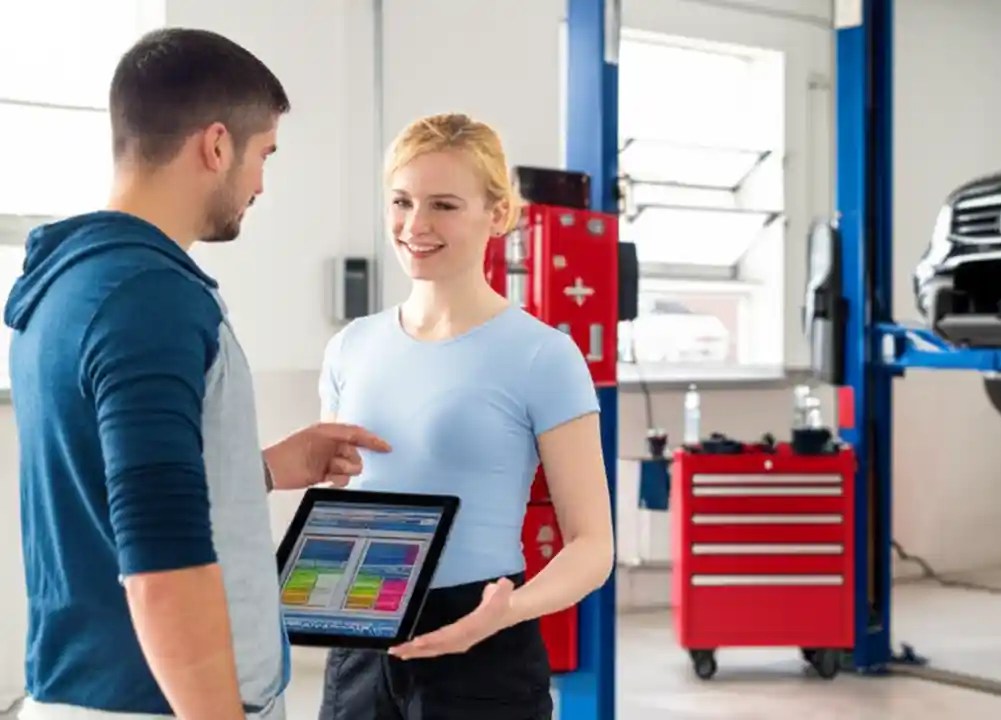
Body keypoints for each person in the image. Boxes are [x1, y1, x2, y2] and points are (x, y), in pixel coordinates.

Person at [2, 28, 390, 720]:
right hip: (163, 703)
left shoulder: (65, 285)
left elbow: (112, 487)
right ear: (216, 145)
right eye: (263, 154)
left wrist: (263, 467)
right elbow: (162, 565)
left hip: (85, 689)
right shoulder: (152, 298)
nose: (261, 183)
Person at [316, 113, 615, 719]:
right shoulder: (352, 345)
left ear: (498, 214)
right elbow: (340, 498)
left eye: (444, 205)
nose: (415, 225)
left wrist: (508, 612)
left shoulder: (541, 355)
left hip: (483, 642)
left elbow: (593, 546)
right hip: (361, 637)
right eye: (401, 201)